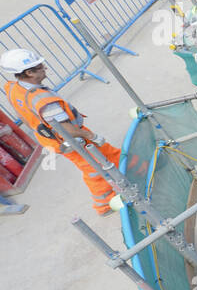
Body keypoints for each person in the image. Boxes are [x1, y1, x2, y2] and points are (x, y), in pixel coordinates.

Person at [1, 48, 121, 215]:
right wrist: (91, 136)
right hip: (71, 139)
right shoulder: (44, 100)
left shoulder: (14, 88)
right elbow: (66, 129)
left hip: (53, 138)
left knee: (108, 153)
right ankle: (104, 205)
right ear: (29, 72)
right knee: (95, 170)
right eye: (40, 66)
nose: (45, 68)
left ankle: (136, 168)